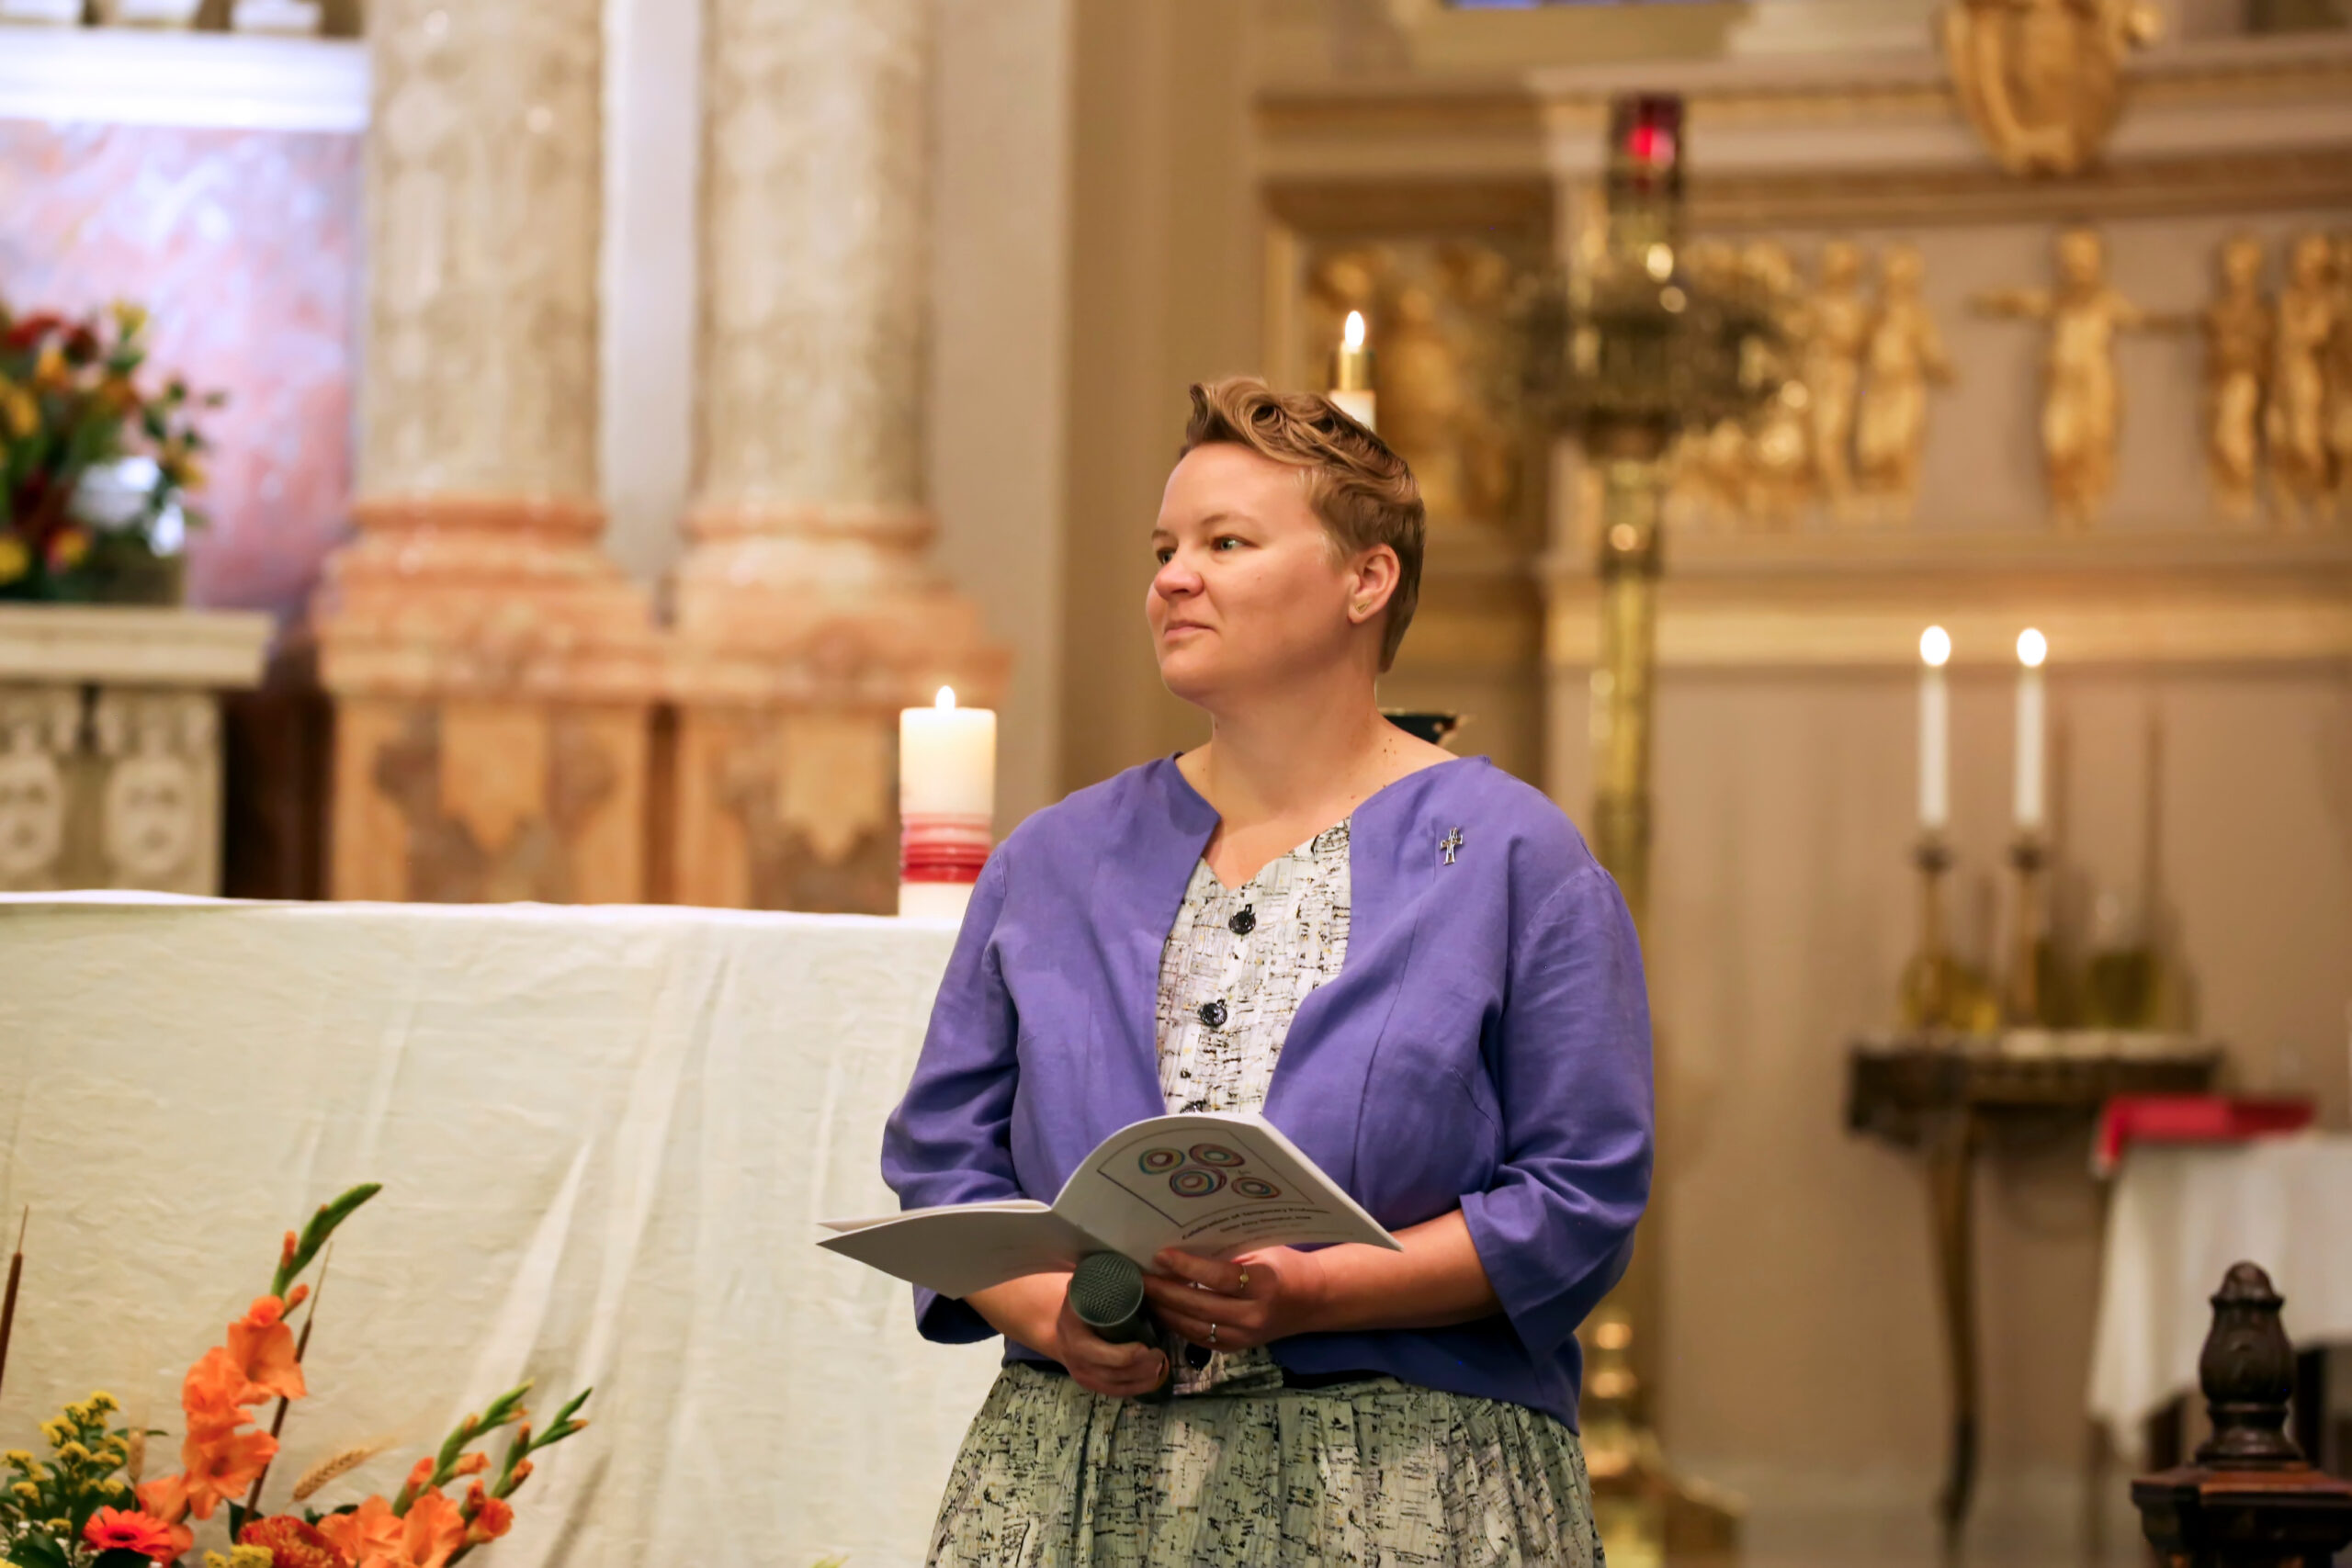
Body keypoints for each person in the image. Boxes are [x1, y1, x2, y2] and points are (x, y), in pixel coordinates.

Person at [882, 377, 1654, 1567]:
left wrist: (1319, 1294)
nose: (1172, 577)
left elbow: (1582, 1192)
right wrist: (1053, 1316)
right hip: (1081, 1471)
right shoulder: (1050, 861)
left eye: (1226, 543)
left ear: (1366, 580)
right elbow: (943, 1154)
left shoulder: (1512, 857)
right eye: (1164, 549)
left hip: (1405, 1484)